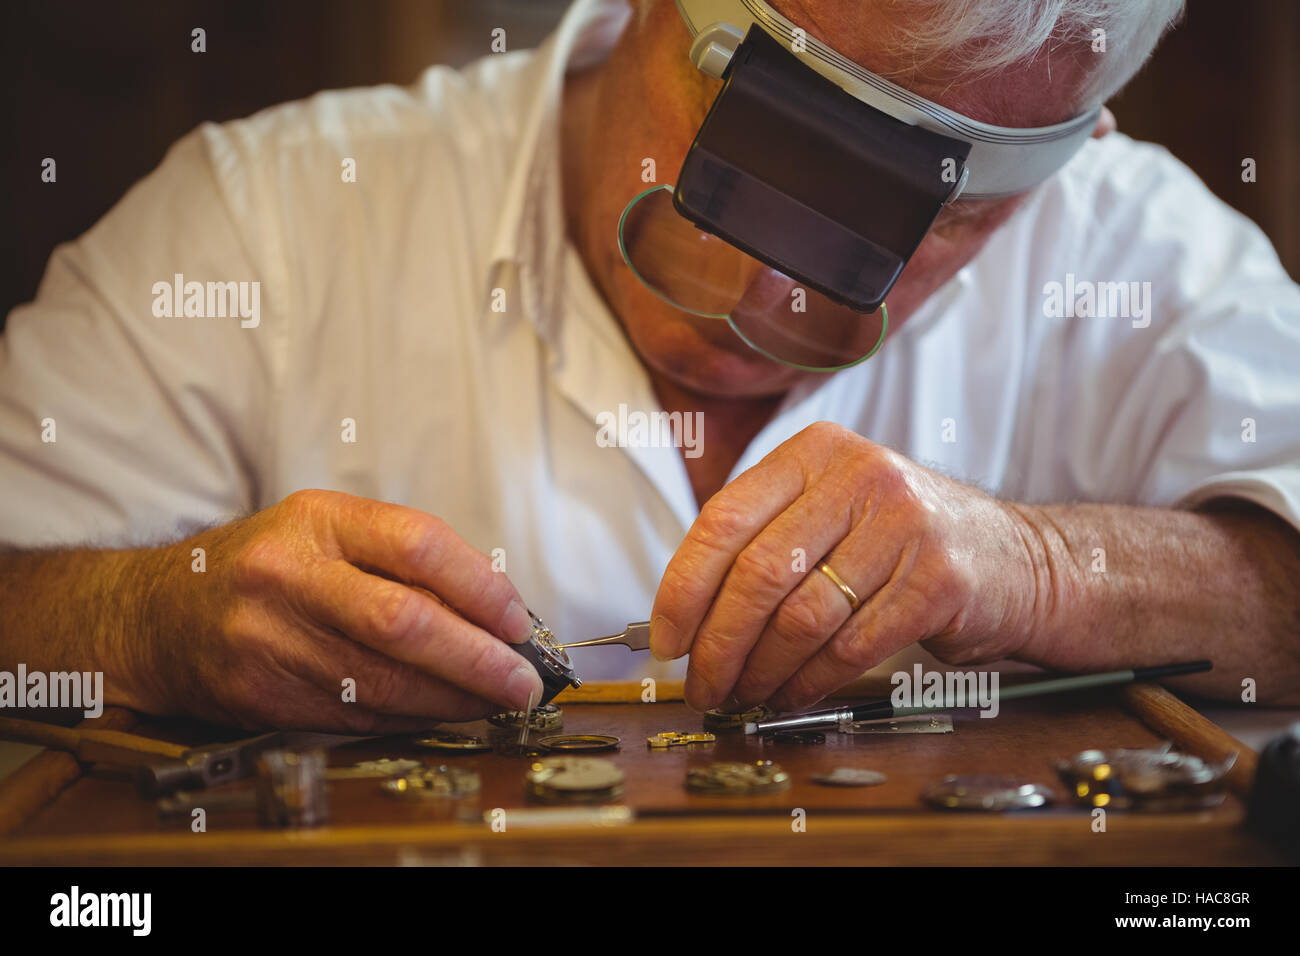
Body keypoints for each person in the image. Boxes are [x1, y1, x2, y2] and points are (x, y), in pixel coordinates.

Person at [2, 0, 1297, 732]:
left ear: (1076, 144)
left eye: (933, 215)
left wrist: (1052, 572)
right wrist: (155, 619)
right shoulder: (264, 218)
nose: (773, 291)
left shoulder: (1144, 251)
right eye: (758, 158)